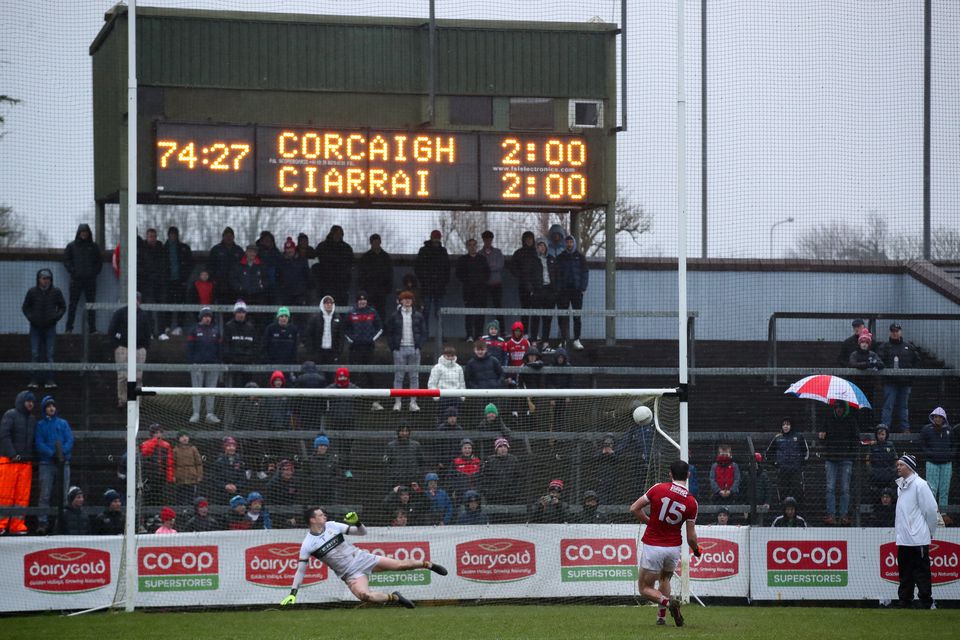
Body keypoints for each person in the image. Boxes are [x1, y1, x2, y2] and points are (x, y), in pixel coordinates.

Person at [279, 507, 448, 609]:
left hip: (361, 558)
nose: (324, 516)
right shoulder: (308, 544)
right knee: (365, 596)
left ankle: (429, 564)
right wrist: (293, 593)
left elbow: (362, 532)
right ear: (312, 519)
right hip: (350, 574)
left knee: (400, 565)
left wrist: (358, 522)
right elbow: (301, 571)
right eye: (321, 515)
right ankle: (395, 597)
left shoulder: (333, 526)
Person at [629, 459, 701, 627]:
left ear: (670, 474)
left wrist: (649, 522)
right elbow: (691, 537)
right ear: (688, 475)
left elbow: (634, 508)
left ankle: (669, 604)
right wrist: (696, 550)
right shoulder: (692, 501)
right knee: (664, 580)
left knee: (644, 588)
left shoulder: (658, 488)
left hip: (654, 546)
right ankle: (661, 617)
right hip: (673, 549)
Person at [895, 454, 939, 609]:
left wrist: (930, 531)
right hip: (903, 538)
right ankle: (904, 601)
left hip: (918, 539)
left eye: (901, 464)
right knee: (905, 572)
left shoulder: (920, 485)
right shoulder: (900, 485)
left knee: (921, 572)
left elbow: (931, 510)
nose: (898, 467)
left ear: (909, 467)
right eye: (898, 464)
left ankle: (926, 601)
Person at [34, 395, 73, 535]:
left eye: (53, 405)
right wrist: (52, 454)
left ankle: (60, 521)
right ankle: (42, 522)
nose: (51, 408)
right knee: (45, 494)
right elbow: (39, 443)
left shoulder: (63, 423)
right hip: (47, 463)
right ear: (45, 409)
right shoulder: (40, 425)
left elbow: (69, 440)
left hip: (63, 463)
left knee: (63, 493)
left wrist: (61, 453)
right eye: (48, 406)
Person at [818, 401, 861, 525]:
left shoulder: (851, 421)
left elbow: (856, 439)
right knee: (830, 487)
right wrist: (821, 437)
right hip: (831, 458)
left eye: (841, 408)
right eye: (837, 407)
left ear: (844, 409)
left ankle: (843, 515)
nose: (839, 410)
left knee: (845, 488)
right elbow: (822, 436)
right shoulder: (828, 419)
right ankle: (831, 515)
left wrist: (851, 455)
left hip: (846, 459)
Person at [22, 268, 66, 389]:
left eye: (49, 279)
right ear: (39, 279)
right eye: (44, 278)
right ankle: (34, 379)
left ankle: (50, 379)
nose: (46, 281)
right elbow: (25, 307)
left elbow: (63, 306)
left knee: (50, 354)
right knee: (35, 353)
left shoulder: (56, 292)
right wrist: (32, 318)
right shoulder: (32, 292)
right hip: (35, 327)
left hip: (50, 327)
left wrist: (55, 317)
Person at [0, 391, 37, 535]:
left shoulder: (32, 419)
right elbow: (4, 435)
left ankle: (17, 525)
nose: (30, 404)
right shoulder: (10, 414)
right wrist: (12, 454)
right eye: (28, 401)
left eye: (32, 402)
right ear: (21, 401)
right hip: (8, 461)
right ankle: (1, 524)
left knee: (22, 495)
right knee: (4, 494)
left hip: (25, 463)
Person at [107, 292, 151, 407]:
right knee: (122, 376)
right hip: (123, 348)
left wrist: (144, 348)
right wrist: (117, 345)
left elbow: (148, 333)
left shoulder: (144, 315)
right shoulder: (120, 313)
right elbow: (111, 330)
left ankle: (137, 401)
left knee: (138, 376)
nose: (135, 301)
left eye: (137, 299)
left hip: (139, 349)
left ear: (140, 301)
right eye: (133, 299)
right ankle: (122, 400)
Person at [385, 290, 426, 411]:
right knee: (399, 376)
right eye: (405, 299)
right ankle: (398, 402)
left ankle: (413, 402)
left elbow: (424, 332)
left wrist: (419, 346)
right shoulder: (394, 316)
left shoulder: (418, 315)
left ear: (412, 301)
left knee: (414, 376)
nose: (407, 301)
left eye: (409, 299)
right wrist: (394, 348)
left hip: (414, 349)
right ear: (401, 301)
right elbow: (390, 333)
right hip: (399, 349)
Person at [877, 323, 921, 432]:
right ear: (890, 332)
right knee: (888, 406)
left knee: (903, 407)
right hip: (890, 382)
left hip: (905, 383)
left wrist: (911, 378)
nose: (895, 333)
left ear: (900, 332)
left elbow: (917, 361)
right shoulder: (884, 347)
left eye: (897, 331)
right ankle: (884, 429)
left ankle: (905, 429)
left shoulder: (909, 347)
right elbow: (878, 361)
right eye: (893, 331)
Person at [63, 223, 103, 334]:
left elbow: (99, 262)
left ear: (88, 233)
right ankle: (69, 328)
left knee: (91, 304)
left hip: (90, 281)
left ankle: (92, 329)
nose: (84, 234)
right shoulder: (71, 246)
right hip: (76, 280)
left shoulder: (94, 247)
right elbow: (66, 261)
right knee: (72, 304)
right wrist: (73, 271)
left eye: (86, 232)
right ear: (79, 233)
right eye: (82, 232)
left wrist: (94, 273)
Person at [344, 292, 382, 399]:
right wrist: (352, 340)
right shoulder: (351, 312)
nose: (362, 302)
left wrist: (371, 339)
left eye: (364, 300)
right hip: (355, 348)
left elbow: (380, 327)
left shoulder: (372, 312)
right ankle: (353, 397)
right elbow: (345, 328)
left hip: (369, 347)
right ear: (357, 301)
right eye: (360, 300)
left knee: (370, 372)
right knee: (354, 372)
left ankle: (373, 398)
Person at [186, 307, 222, 423]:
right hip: (198, 364)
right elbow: (190, 347)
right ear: (201, 317)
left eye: (209, 316)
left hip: (213, 364)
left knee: (211, 390)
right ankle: (196, 413)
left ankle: (210, 413)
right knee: (196, 389)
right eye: (205, 316)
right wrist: (192, 362)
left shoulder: (216, 331)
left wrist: (218, 361)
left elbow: (219, 348)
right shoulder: (194, 330)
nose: (207, 319)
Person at [414, 230, 451, 335]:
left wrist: (443, 282)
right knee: (426, 312)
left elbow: (447, 269)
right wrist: (424, 280)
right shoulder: (424, 251)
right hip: (427, 287)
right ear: (431, 238)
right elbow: (418, 268)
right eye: (434, 237)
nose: (436, 240)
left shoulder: (442, 251)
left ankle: (440, 335)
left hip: (438, 288)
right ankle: (425, 334)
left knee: (439, 313)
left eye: (437, 238)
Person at [765, 417, 808, 506]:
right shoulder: (778, 438)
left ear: (791, 426)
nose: (785, 426)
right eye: (784, 424)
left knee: (798, 491)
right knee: (783, 492)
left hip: (796, 471)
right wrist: (775, 463)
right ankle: (783, 510)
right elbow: (768, 453)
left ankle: (798, 511)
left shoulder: (799, 437)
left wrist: (800, 462)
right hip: (782, 471)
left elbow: (806, 452)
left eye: (788, 424)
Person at [555, 235, 588, 350]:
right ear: (565, 244)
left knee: (577, 316)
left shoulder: (580, 257)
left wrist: (582, 287)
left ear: (574, 243)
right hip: (563, 291)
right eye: (567, 242)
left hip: (576, 291)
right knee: (562, 316)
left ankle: (577, 339)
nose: (569, 244)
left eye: (571, 242)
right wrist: (558, 288)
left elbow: (585, 273)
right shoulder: (560, 257)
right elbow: (556, 274)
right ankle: (563, 339)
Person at [455, 237, 490, 341]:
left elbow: (487, 273)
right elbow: (459, 274)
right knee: (469, 313)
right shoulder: (462, 260)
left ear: (477, 246)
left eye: (474, 245)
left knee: (480, 313)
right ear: (467, 247)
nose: (472, 247)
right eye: (470, 245)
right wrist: (467, 281)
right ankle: (469, 335)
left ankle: (479, 335)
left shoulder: (482, 259)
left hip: (481, 291)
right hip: (468, 291)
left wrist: (481, 282)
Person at [920, 407, 953, 519]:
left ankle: (943, 514)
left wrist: (950, 455)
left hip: (947, 464)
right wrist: (930, 454)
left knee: (944, 490)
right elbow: (923, 444)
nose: (937, 419)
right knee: (932, 489)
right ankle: (932, 513)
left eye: (940, 417)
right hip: (932, 463)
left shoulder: (949, 430)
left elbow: (954, 445)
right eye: (935, 417)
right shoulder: (926, 429)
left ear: (944, 419)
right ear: (932, 417)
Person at [162, 226, 193, 336]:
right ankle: (166, 327)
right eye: (171, 234)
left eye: (175, 234)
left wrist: (185, 278)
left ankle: (179, 327)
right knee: (167, 304)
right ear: (168, 235)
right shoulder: (163, 249)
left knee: (181, 304)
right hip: (167, 282)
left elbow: (190, 264)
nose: (173, 236)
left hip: (181, 282)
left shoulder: (184, 248)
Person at [313, 225, 354, 308]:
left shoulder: (347, 248)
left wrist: (346, 280)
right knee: (326, 308)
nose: (337, 236)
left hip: (342, 285)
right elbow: (315, 264)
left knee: (342, 308)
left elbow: (350, 266)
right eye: (335, 233)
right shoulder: (322, 247)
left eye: (339, 234)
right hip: (326, 285)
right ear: (331, 234)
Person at [305, 295, 343, 384]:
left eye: (331, 303)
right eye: (326, 303)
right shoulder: (315, 318)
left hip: (332, 353)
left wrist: (338, 352)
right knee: (318, 377)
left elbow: (340, 337)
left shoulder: (338, 318)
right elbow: (309, 335)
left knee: (331, 376)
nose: (329, 305)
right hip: (318, 352)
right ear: (323, 304)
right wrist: (311, 352)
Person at [137, 228, 167, 338]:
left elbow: (165, 266)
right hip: (147, 284)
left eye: (154, 236)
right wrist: (146, 276)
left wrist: (162, 277)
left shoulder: (161, 249)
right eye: (150, 236)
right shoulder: (142, 249)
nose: (152, 238)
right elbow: (139, 266)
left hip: (160, 283)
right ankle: (149, 332)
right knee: (148, 308)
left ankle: (161, 332)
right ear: (146, 237)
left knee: (161, 308)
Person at [530, 238, 558, 351]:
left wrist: (555, 291)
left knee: (547, 318)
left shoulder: (552, 260)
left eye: (542, 246)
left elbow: (557, 275)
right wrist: (531, 290)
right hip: (537, 291)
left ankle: (546, 342)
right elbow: (529, 276)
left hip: (549, 291)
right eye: (538, 246)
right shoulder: (533, 260)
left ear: (546, 247)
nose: (540, 248)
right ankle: (533, 342)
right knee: (535, 317)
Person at [357, 233, 394, 319]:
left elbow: (389, 274)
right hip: (368, 290)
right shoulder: (365, 257)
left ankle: (380, 330)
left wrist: (387, 288)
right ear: (371, 243)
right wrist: (362, 288)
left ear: (380, 242)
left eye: (377, 242)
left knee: (381, 313)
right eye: (374, 242)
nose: (376, 244)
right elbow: (361, 274)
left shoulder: (386, 257)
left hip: (381, 291)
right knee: (366, 311)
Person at [223, 300, 258, 387]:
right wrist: (229, 359)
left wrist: (252, 358)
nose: (241, 314)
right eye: (239, 312)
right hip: (233, 363)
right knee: (234, 387)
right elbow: (226, 345)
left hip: (248, 363)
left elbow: (255, 344)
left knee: (248, 386)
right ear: (235, 313)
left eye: (243, 312)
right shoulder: (229, 327)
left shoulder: (251, 327)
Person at [306, 435, 347, 506]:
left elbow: (339, 472)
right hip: (313, 492)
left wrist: (332, 480)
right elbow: (306, 474)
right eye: (321, 445)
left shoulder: (332, 460)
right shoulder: (310, 460)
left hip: (329, 493)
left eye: (325, 445)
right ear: (317, 446)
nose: (323, 447)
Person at [509, 231, 538, 331]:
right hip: (523, 286)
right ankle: (524, 332)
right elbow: (512, 267)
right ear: (524, 240)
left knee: (536, 311)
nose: (529, 241)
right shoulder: (518, 253)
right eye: (527, 239)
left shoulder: (537, 252)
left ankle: (534, 334)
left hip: (536, 287)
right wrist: (521, 276)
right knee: (525, 310)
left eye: (531, 239)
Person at [479, 437, 522, 505]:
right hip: (494, 497)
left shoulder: (514, 460)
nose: (503, 448)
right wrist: (488, 493)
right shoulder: (490, 461)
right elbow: (484, 478)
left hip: (510, 496)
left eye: (505, 446)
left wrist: (515, 491)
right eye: (500, 446)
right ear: (496, 449)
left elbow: (519, 478)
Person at [140, 423, 174, 505]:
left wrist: (169, 477)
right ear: (152, 434)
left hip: (161, 477)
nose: (158, 435)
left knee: (161, 497)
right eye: (156, 433)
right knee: (149, 497)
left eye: (160, 432)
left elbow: (169, 462)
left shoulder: (166, 445)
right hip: (149, 477)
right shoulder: (146, 444)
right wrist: (154, 441)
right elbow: (145, 452)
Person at [261, 306, 299, 380]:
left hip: (288, 364)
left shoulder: (293, 330)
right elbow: (264, 345)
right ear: (278, 317)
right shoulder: (270, 329)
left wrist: (293, 362)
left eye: (286, 316)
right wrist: (268, 361)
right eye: (281, 316)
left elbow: (295, 348)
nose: (284, 318)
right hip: (273, 364)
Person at [208, 226, 244, 304]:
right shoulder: (216, 249)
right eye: (226, 236)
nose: (228, 238)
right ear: (223, 237)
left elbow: (243, 266)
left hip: (235, 285)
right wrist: (213, 279)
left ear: (233, 237)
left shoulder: (239, 250)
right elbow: (210, 265)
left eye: (230, 236)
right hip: (220, 284)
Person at [384, 424, 425, 490]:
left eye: (406, 431)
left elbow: (421, 461)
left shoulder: (416, 445)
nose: (404, 433)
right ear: (398, 432)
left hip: (413, 479)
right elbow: (386, 462)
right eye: (402, 431)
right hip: (396, 480)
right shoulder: (391, 446)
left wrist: (416, 474)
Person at [480, 230, 506, 333]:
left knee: (499, 307)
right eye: (486, 239)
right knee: (481, 307)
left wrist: (487, 267)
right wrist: (490, 267)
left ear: (492, 240)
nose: (488, 241)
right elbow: (480, 268)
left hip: (496, 284)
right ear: (483, 240)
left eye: (489, 239)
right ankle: (479, 332)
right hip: (484, 285)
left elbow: (500, 265)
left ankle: (503, 331)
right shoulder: (480, 253)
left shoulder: (498, 252)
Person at [427, 345, 465, 415]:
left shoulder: (459, 368)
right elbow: (432, 384)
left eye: (452, 355)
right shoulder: (437, 368)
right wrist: (437, 398)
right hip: (442, 398)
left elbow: (462, 383)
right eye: (448, 356)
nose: (450, 358)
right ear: (444, 355)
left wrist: (462, 397)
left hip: (456, 399)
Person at [209, 436, 247, 504]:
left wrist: (236, 486)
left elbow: (243, 478)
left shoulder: (240, 461)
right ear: (224, 447)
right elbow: (214, 478)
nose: (231, 448)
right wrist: (225, 486)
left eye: (233, 446)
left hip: (237, 492)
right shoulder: (219, 461)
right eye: (229, 446)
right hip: (221, 494)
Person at [866, 424, 898, 502]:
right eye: (879, 434)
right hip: (876, 476)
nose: (881, 436)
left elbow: (896, 459)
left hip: (889, 475)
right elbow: (867, 460)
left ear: (886, 435)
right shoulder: (873, 446)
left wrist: (893, 471)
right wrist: (871, 471)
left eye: (883, 434)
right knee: (875, 495)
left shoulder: (890, 445)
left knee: (890, 493)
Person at [278, 236, 311, 306]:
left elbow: (307, 276)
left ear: (294, 249)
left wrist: (305, 289)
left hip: (300, 294)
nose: (289, 251)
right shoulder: (280, 262)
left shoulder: (302, 260)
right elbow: (278, 277)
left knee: (300, 314)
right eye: (287, 249)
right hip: (286, 294)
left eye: (291, 248)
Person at [173, 431, 204, 505]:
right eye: (182, 436)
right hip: (180, 478)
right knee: (180, 498)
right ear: (178, 439)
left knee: (192, 497)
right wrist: (174, 476)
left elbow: (199, 463)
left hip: (192, 477)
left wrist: (199, 475)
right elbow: (173, 464)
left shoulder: (193, 449)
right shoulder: (175, 450)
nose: (184, 438)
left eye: (186, 436)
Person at [232, 244, 266, 309]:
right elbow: (233, 279)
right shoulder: (238, 265)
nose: (252, 254)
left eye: (254, 252)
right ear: (246, 252)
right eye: (250, 251)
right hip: (242, 296)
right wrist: (240, 288)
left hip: (257, 296)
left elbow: (266, 279)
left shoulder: (261, 266)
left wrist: (261, 286)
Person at [256, 230, 282, 305]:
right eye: (266, 240)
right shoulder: (257, 252)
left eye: (270, 241)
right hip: (260, 287)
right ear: (261, 241)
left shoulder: (277, 254)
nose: (268, 242)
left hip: (275, 287)